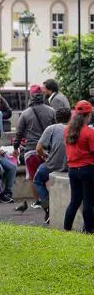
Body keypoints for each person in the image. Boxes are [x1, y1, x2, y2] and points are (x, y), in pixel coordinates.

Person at [12, 88, 56, 211]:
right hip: (48, 150)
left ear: (31, 99)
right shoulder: (51, 111)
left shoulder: (25, 113)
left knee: (32, 177)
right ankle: (51, 200)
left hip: (31, 150)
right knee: (48, 176)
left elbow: (19, 133)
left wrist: (15, 148)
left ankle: (38, 201)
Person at [33, 107, 71, 224]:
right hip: (71, 165)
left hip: (53, 164)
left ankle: (48, 206)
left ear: (56, 118)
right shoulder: (75, 129)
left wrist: (44, 156)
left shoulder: (51, 128)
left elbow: (38, 148)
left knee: (37, 180)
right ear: (70, 118)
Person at [63, 100, 94, 233]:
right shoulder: (89, 132)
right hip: (87, 170)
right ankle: (89, 230)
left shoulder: (67, 130)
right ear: (89, 115)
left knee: (74, 201)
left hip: (73, 170)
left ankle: (67, 229)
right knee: (88, 202)